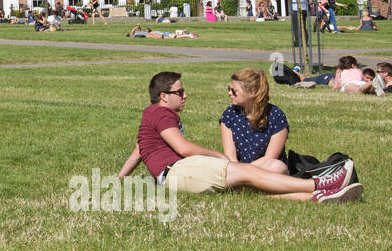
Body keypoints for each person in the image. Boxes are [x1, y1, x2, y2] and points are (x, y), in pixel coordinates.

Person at [117, 71, 362, 203]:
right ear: (163, 96)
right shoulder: (162, 114)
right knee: (244, 174)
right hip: (178, 170)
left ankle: (315, 197)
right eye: (179, 92)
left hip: (173, 174)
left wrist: (119, 178)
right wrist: (219, 157)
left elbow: (140, 149)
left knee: (250, 185)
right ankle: (322, 184)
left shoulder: (151, 116)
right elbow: (184, 148)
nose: (185, 95)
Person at [220, 70, 290, 175]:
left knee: (277, 167)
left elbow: (269, 158)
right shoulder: (229, 114)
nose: (229, 93)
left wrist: (244, 172)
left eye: (234, 91)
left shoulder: (276, 116)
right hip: (239, 170)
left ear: (252, 93)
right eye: (229, 89)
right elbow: (230, 157)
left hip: (266, 170)